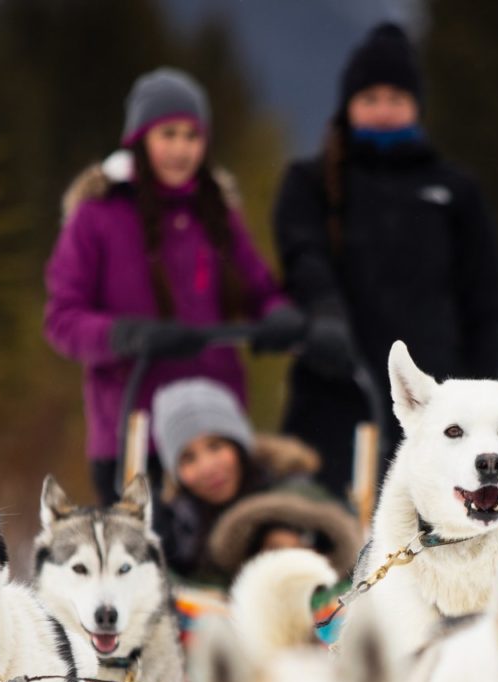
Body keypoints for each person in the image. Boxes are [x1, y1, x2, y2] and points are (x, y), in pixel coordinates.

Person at [44, 67, 305, 505]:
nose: (181, 149)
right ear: (140, 139)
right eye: (168, 134)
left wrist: (279, 316)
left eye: (192, 135)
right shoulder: (97, 215)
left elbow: (259, 289)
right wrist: (124, 335)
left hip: (217, 442)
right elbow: (62, 319)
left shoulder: (216, 211)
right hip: (134, 436)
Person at [273, 22, 498, 496]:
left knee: (430, 520)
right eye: (370, 98)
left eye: (396, 97)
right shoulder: (310, 182)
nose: (383, 109)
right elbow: (301, 255)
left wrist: (486, 393)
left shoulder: (454, 190)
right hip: (332, 386)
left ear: (416, 104)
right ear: (348, 104)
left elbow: (483, 297)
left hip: (436, 399)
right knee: (317, 518)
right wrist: (324, 310)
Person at [150, 378, 360, 590]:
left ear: (238, 447)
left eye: (215, 446)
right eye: (188, 458)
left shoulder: (295, 492)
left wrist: (285, 532)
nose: (207, 467)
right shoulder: (174, 528)